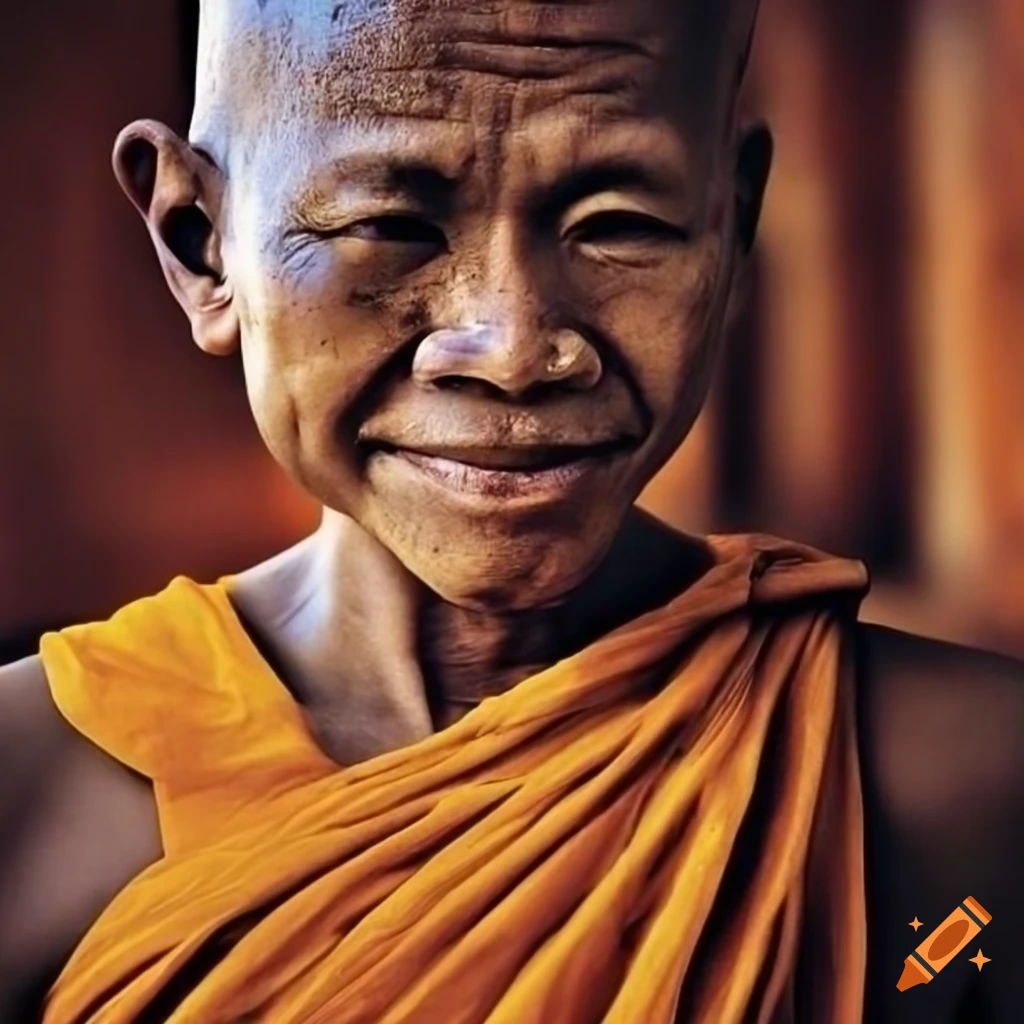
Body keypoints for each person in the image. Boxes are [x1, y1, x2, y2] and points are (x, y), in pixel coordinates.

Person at [0, 1, 1021, 1022]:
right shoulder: (27, 787)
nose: (515, 348)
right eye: (388, 227)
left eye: (619, 224)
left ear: (730, 220)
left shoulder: (965, 785)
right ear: (201, 244)